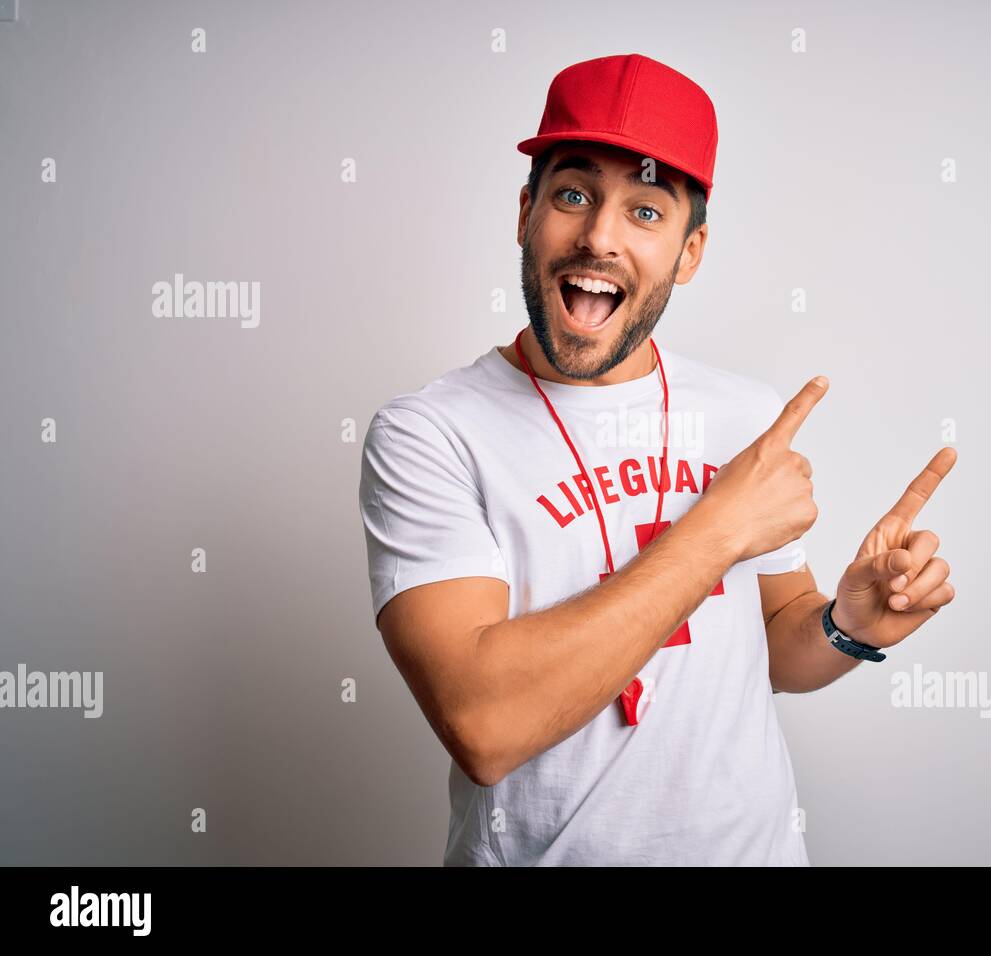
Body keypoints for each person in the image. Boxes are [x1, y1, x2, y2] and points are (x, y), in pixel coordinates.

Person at [358, 53, 957, 866]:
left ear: (690, 251)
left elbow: (776, 646)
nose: (600, 237)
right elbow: (484, 725)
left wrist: (847, 624)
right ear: (525, 213)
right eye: (573, 196)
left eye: (645, 211)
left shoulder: (746, 418)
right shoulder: (428, 436)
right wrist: (716, 529)